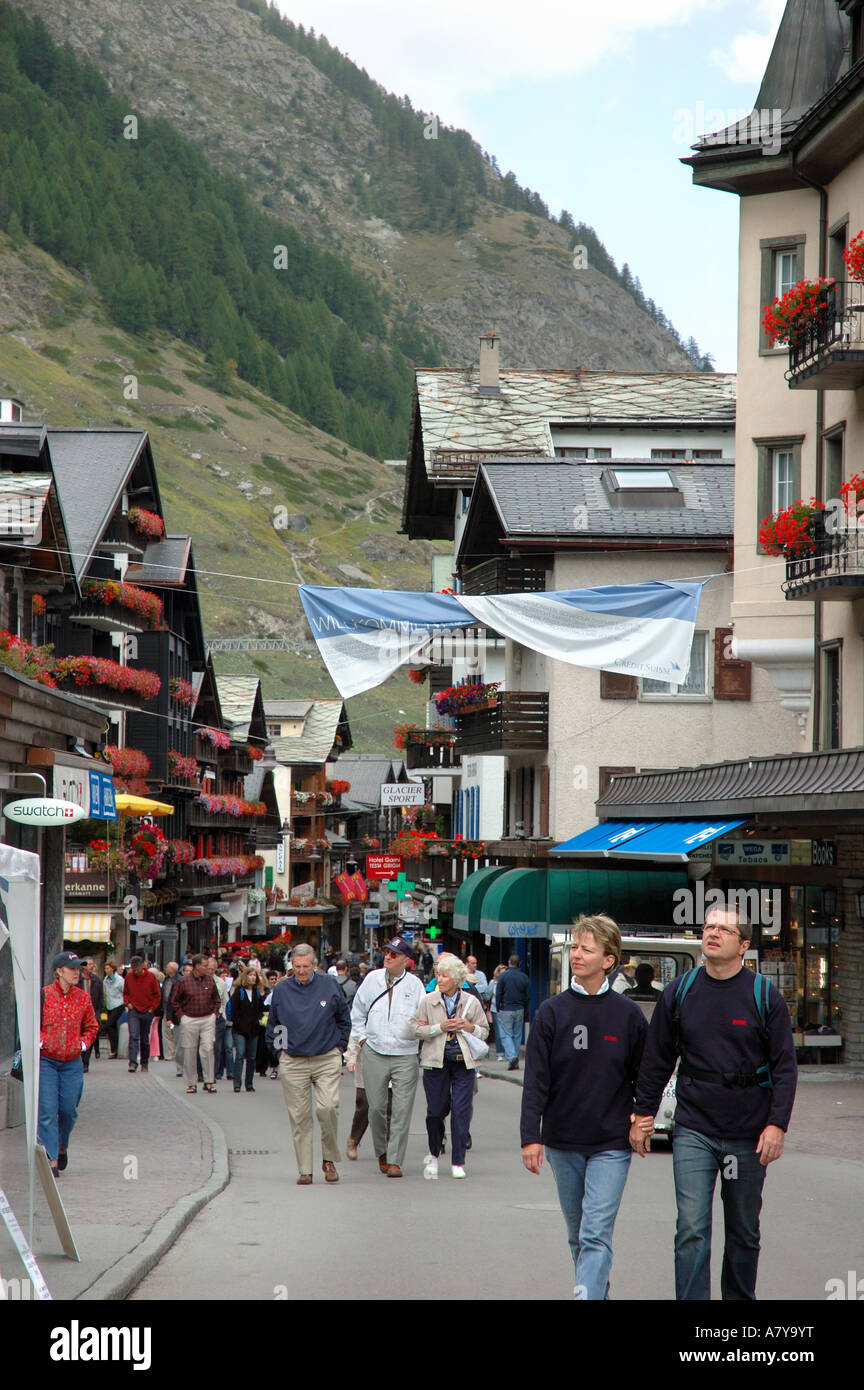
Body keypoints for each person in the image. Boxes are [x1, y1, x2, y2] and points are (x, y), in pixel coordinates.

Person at [630, 904, 797, 1302]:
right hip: (694, 1128)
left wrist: (777, 1124)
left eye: (724, 928)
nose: (713, 933)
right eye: (708, 926)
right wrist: (643, 1114)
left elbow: (784, 1067)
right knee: (691, 1228)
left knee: (743, 1231)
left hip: (747, 1132)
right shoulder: (681, 991)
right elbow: (656, 1058)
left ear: (743, 945)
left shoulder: (764, 995)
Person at [521, 915, 647, 1300]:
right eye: (574, 947)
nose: (576, 954)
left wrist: (642, 1119)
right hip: (562, 1140)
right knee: (579, 1236)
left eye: (586, 949)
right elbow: (536, 1080)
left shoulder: (628, 1015)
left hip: (611, 1142)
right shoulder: (551, 1011)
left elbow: (645, 1075)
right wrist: (531, 1137)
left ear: (609, 959)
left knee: (595, 1232)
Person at [266, 945, 351, 1185]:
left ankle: (329, 1159)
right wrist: (279, 1051)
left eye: (306, 966)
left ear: (314, 965)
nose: (301, 971)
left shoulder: (329, 985)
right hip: (294, 1060)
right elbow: (275, 1023)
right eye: (297, 967)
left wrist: (340, 1047)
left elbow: (344, 1019)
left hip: (326, 1056)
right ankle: (305, 1169)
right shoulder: (282, 989)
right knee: (300, 1116)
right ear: (291, 966)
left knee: (327, 1108)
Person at [348, 936, 426, 1178]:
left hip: (405, 1053)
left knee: (402, 1110)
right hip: (375, 1050)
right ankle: (381, 1152)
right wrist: (362, 1040)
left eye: (394, 954)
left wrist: (422, 1028)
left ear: (405, 960)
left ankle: (394, 1160)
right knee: (376, 1108)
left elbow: (423, 1015)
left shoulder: (415, 985)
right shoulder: (371, 979)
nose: (388, 957)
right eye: (387, 952)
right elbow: (357, 1012)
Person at [411, 953, 489, 1179]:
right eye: (438, 975)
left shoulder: (471, 1002)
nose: (439, 979)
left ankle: (458, 1161)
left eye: (444, 976)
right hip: (435, 1063)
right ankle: (433, 1154)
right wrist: (439, 1027)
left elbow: (484, 1031)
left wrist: (468, 1026)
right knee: (435, 1111)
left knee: (461, 1112)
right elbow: (415, 1029)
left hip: (463, 1063)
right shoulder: (428, 1000)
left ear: (455, 979)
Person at [38, 951, 99, 1177]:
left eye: (78, 968)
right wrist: (40, 1040)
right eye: (72, 968)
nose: (77, 972)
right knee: (46, 1111)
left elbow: (92, 1026)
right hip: (47, 1060)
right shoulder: (44, 995)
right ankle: (51, 1159)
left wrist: (83, 1045)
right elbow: (30, 1021)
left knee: (68, 1111)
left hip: (71, 1062)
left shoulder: (83, 998)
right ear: (59, 971)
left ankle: (62, 1146)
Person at [170, 953, 222, 1093]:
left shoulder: (210, 981)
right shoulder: (183, 981)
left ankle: (209, 1081)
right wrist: (182, 1016)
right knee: (189, 1051)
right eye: (205, 966)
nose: (208, 968)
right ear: (197, 966)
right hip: (189, 1018)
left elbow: (217, 999)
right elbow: (174, 1001)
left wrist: (214, 1014)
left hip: (207, 1018)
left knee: (208, 1048)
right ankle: (191, 1083)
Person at [230, 962, 265, 1093]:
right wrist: (238, 1023)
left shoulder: (256, 992)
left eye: (254, 975)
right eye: (250, 975)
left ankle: (249, 1083)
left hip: (253, 1029)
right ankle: (237, 1083)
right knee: (240, 1054)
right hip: (240, 1029)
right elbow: (234, 1011)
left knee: (251, 1057)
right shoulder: (239, 992)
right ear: (245, 976)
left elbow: (261, 1008)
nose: (253, 977)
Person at [123, 955, 161, 1074]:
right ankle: (133, 1063)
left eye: (137, 969)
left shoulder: (150, 977)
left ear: (142, 967)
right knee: (133, 1036)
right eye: (134, 969)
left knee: (144, 1038)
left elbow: (157, 994)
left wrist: (152, 1008)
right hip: (133, 1010)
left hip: (147, 1011)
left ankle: (144, 1063)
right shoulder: (129, 977)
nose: (136, 972)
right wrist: (127, 1003)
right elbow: (125, 992)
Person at [496, 953, 531, 1070]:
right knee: (517, 1035)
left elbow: (498, 993)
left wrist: (497, 1008)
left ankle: (511, 1057)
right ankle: (514, 1060)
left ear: (509, 962)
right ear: (519, 963)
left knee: (506, 1034)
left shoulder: (503, 977)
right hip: (519, 1009)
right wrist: (525, 1010)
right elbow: (528, 996)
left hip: (506, 1008)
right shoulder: (525, 977)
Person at [79, 957, 103, 1071]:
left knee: (90, 1039)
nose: (92, 966)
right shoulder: (77, 981)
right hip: (79, 1014)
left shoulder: (97, 981)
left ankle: (85, 1063)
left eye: (93, 964)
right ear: (83, 966)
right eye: (89, 964)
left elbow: (100, 1000)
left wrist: (98, 1015)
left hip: (92, 1014)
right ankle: (80, 1061)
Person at [102, 960, 125, 1060]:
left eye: (108, 968)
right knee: (112, 1027)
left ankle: (114, 1049)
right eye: (105, 968)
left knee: (108, 1025)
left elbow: (124, 991)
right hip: (110, 1005)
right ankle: (114, 1049)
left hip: (118, 1004)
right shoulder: (105, 980)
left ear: (112, 969)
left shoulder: (119, 980)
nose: (106, 970)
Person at [160, 962, 180, 1068]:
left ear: (173, 969)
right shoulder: (166, 979)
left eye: (167, 967)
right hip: (166, 1010)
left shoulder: (178, 980)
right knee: (168, 1032)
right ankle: (170, 1053)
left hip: (175, 1012)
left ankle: (175, 1053)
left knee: (174, 1032)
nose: (166, 968)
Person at [489, 963, 507, 1061]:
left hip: (506, 1009)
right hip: (495, 1009)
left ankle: (508, 1052)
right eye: (502, 973)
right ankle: (500, 1053)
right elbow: (488, 994)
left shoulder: (508, 982)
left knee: (507, 1032)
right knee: (499, 1031)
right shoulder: (493, 983)